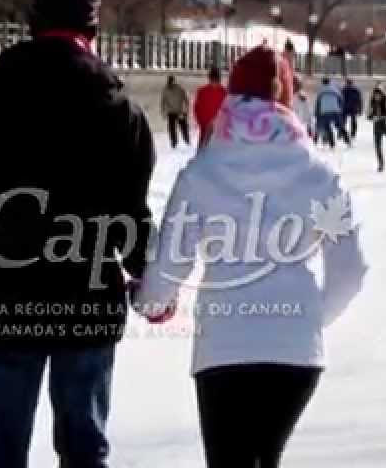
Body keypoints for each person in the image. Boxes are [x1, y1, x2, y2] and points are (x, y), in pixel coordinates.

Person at [0, 0, 154, 468]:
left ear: (32, 25)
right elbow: (129, 213)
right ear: (94, 31)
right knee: (84, 449)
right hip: (85, 300)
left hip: (6, 299)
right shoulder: (119, 109)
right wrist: (146, 274)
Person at [135, 45, 367, 468]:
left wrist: (150, 302)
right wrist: (310, 316)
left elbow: (173, 260)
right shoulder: (319, 174)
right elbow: (350, 270)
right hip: (296, 351)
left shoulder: (202, 172)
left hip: (224, 349)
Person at [194, 66, 228, 148]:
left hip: (206, 127)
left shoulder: (202, 91)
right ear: (219, 78)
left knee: (204, 151)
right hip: (219, 128)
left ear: (209, 78)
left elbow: (197, 109)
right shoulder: (225, 93)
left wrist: (202, 123)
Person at [314, 77, 349, 148]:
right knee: (340, 126)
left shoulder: (320, 91)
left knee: (327, 127)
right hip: (335, 110)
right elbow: (341, 100)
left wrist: (317, 113)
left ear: (322, 82)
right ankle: (347, 141)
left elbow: (318, 103)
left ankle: (332, 144)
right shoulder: (335, 89)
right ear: (329, 82)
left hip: (324, 111)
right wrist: (340, 109)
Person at [162, 75, 192, 149]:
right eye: (169, 82)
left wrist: (185, 111)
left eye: (171, 82)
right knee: (171, 128)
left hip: (180, 111)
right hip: (171, 112)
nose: (170, 84)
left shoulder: (180, 89)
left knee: (184, 128)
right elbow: (163, 101)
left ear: (174, 82)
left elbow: (186, 100)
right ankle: (174, 143)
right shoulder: (165, 89)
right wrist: (163, 111)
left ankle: (187, 141)